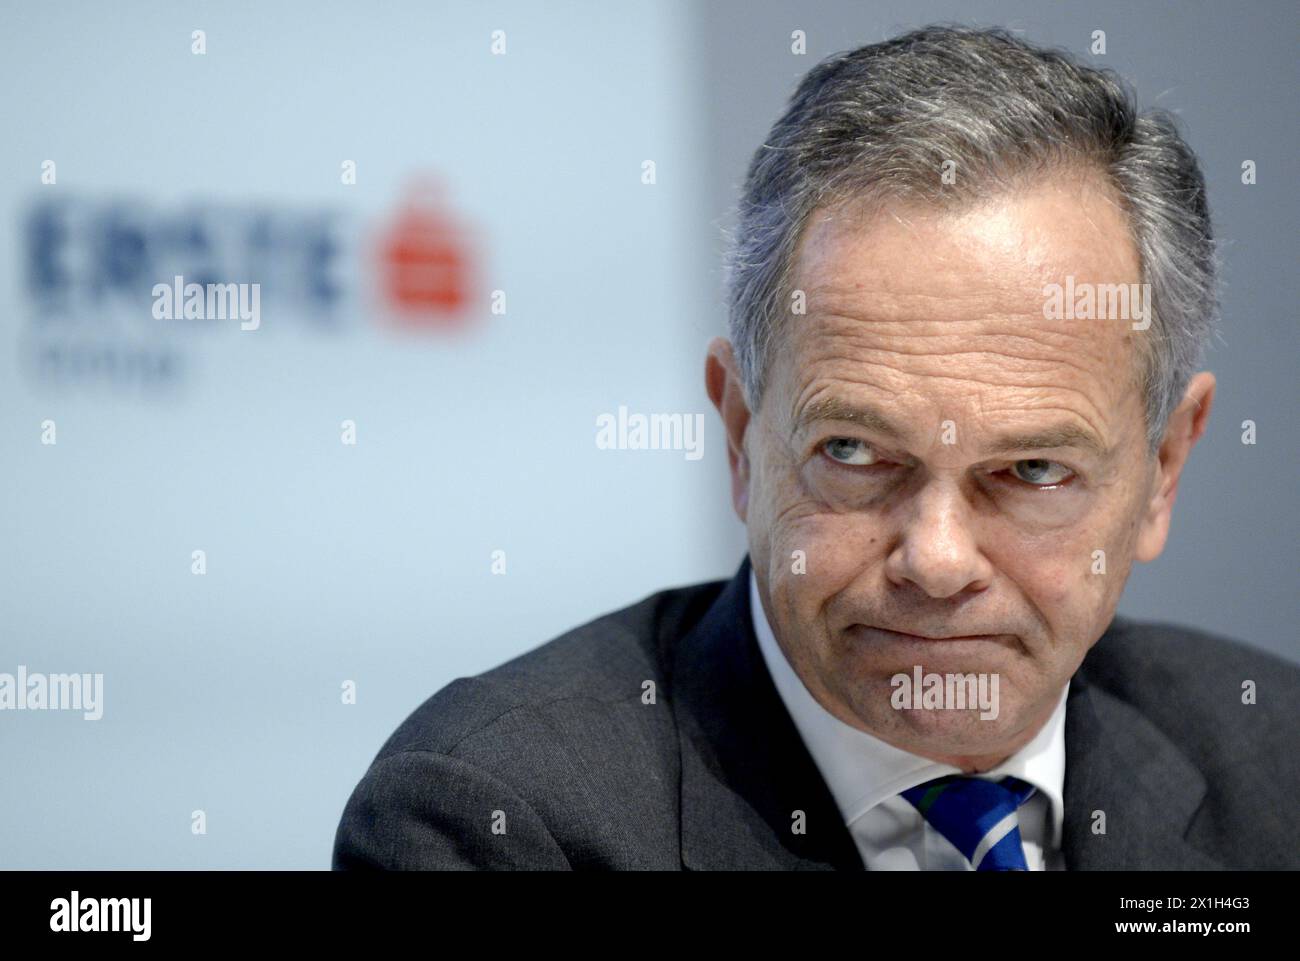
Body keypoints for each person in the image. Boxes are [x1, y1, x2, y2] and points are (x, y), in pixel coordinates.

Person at [333, 25, 1299, 870]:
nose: (937, 558)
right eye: (854, 452)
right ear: (744, 437)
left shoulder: (1277, 757)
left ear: (1163, 469)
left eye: (1032, 471)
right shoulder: (500, 820)